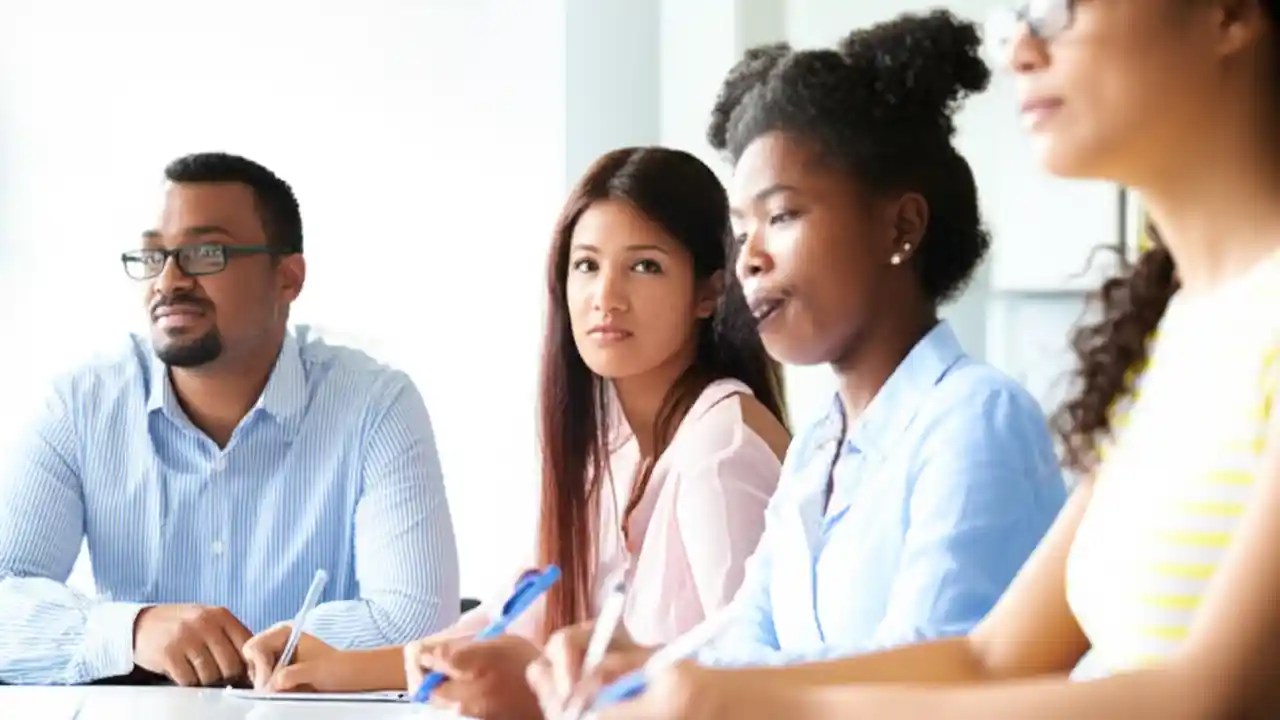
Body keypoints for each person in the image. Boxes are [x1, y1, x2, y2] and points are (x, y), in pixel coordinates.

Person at [550, 0, 1280, 717]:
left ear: (1229, 14)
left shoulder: (975, 416)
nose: (1020, 48)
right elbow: (987, 658)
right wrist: (643, 677)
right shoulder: (1177, 332)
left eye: (1062, 6)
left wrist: (758, 704)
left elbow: (1214, 696)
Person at [528, 9, 1068, 713]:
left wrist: (680, 681)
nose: (748, 257)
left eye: (780, 217)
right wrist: (619, 666)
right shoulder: (821, 444)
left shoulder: (974, 419)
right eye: (742, 226)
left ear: (900, 226)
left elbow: (934, 669)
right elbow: (744, 642)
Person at [239, 147, 791, 717]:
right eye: (587, 265)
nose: (606, 296)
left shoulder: (719, 448)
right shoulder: (614, 449)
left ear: (708, 293)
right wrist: (332, 666)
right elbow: (514, 620)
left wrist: (533, 691)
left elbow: (754, 680)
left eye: (644, 265)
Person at [0, 152, 460, 687]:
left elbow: (419, 620)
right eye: (154, 256)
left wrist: (235, 650)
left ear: (287, 277)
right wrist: (133, 630)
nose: (168, 281)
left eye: (205, 253)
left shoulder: (375, 405)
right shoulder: (80, 405)